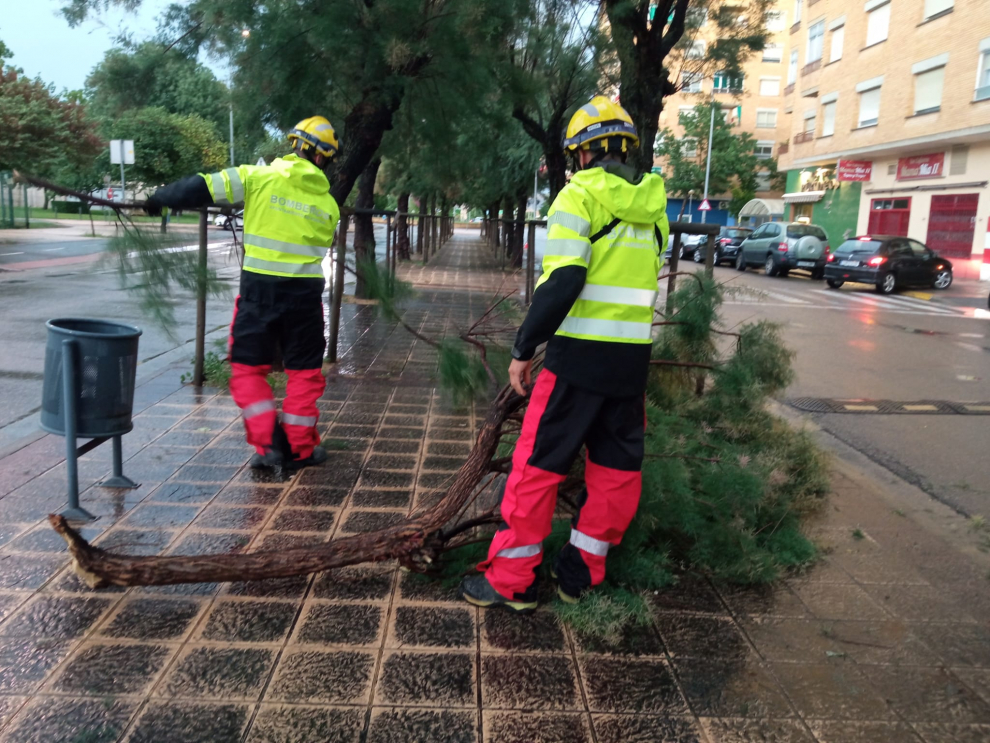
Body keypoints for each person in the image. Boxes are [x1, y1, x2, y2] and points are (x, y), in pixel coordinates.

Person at [460, 96, 669, 613]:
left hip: (576, 362)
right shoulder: (655, 209)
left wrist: (523, 347)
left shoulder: (577, 198)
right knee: (616, 473)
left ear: (582, 153)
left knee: (536, 468)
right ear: (625, 149)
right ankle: (578, 577)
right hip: (630, 366)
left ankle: (512, 581)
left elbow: (564, 280)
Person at [144, 117, 341, 470]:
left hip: (259, 293)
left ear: (295, 146)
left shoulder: (257, 177)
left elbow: (202, 187)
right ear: (321, 157)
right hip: (306, 298)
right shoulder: (329, 206)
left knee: (247, 370)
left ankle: (267, 445)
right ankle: (300, 449)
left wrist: (160, 198)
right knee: (304, 374)